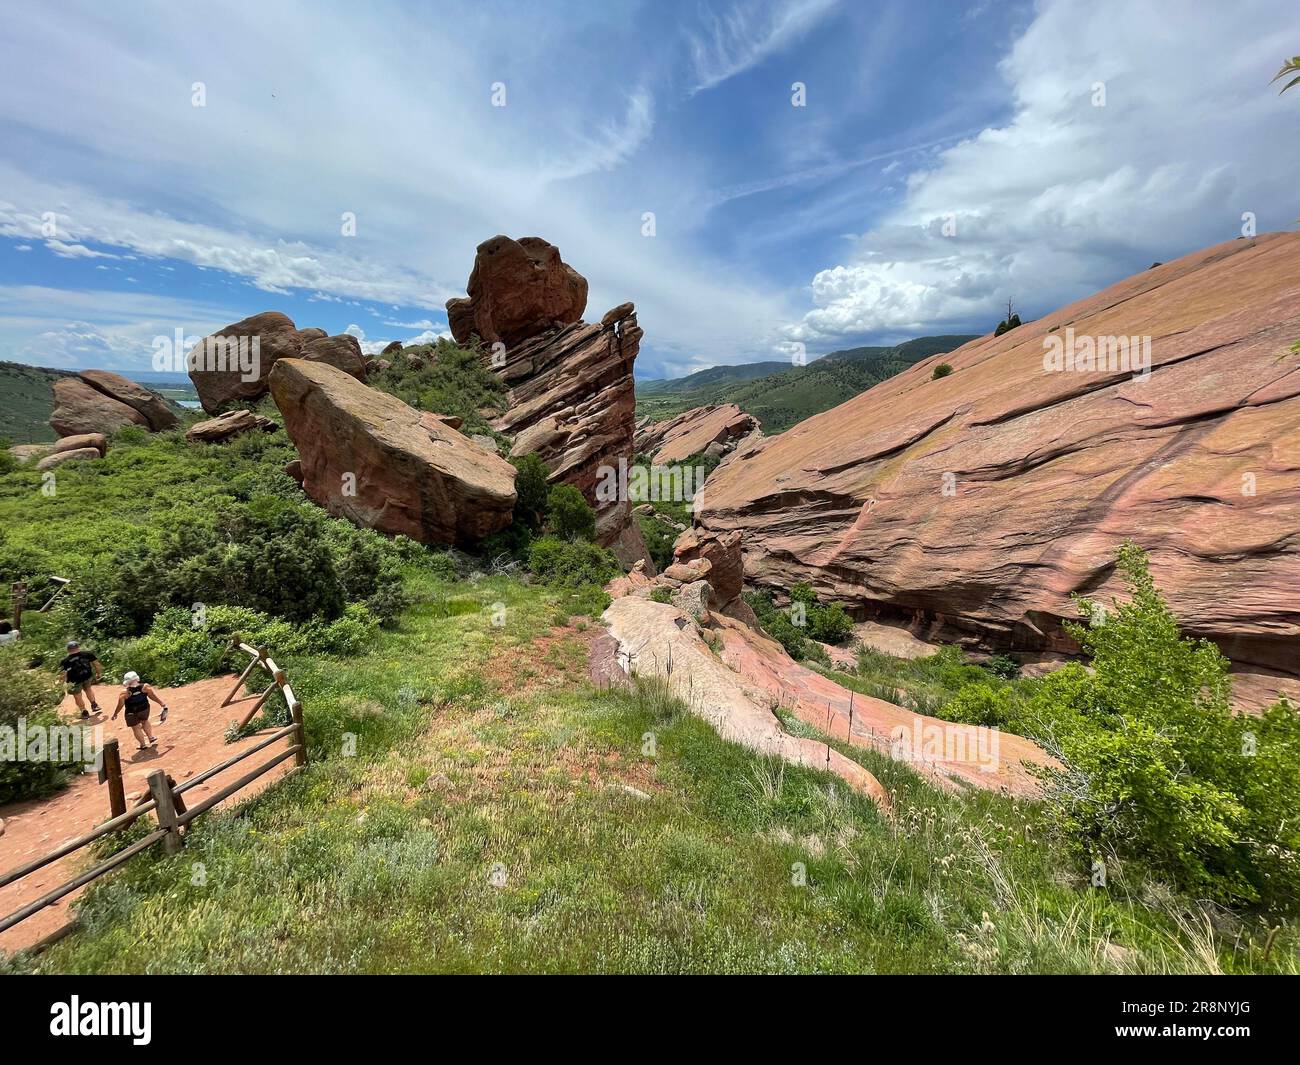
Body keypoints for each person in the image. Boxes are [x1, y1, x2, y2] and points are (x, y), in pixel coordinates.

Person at [112, 671, 169, 750]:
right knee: (145, 721)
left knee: (136, 728)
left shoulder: (124, 693)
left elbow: (120, 705)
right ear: (137, 678)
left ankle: (143, 745)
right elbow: (153, 696)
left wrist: (115, 714)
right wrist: (162, 704)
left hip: (131, 712)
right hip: (144, 709)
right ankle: (151, 737)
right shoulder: (145, 687)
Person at [58, 639, 102, 719]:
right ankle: (94, 705)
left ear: (68, 650)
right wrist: (98, 673)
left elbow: (63, 675)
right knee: (88, 689)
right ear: (78, 647)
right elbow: (97, 664)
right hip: (87, 676)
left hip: (74, 681)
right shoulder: (87, 654)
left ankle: (84, 711)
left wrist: (62, 685)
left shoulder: (65, 661)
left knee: (77, 696)